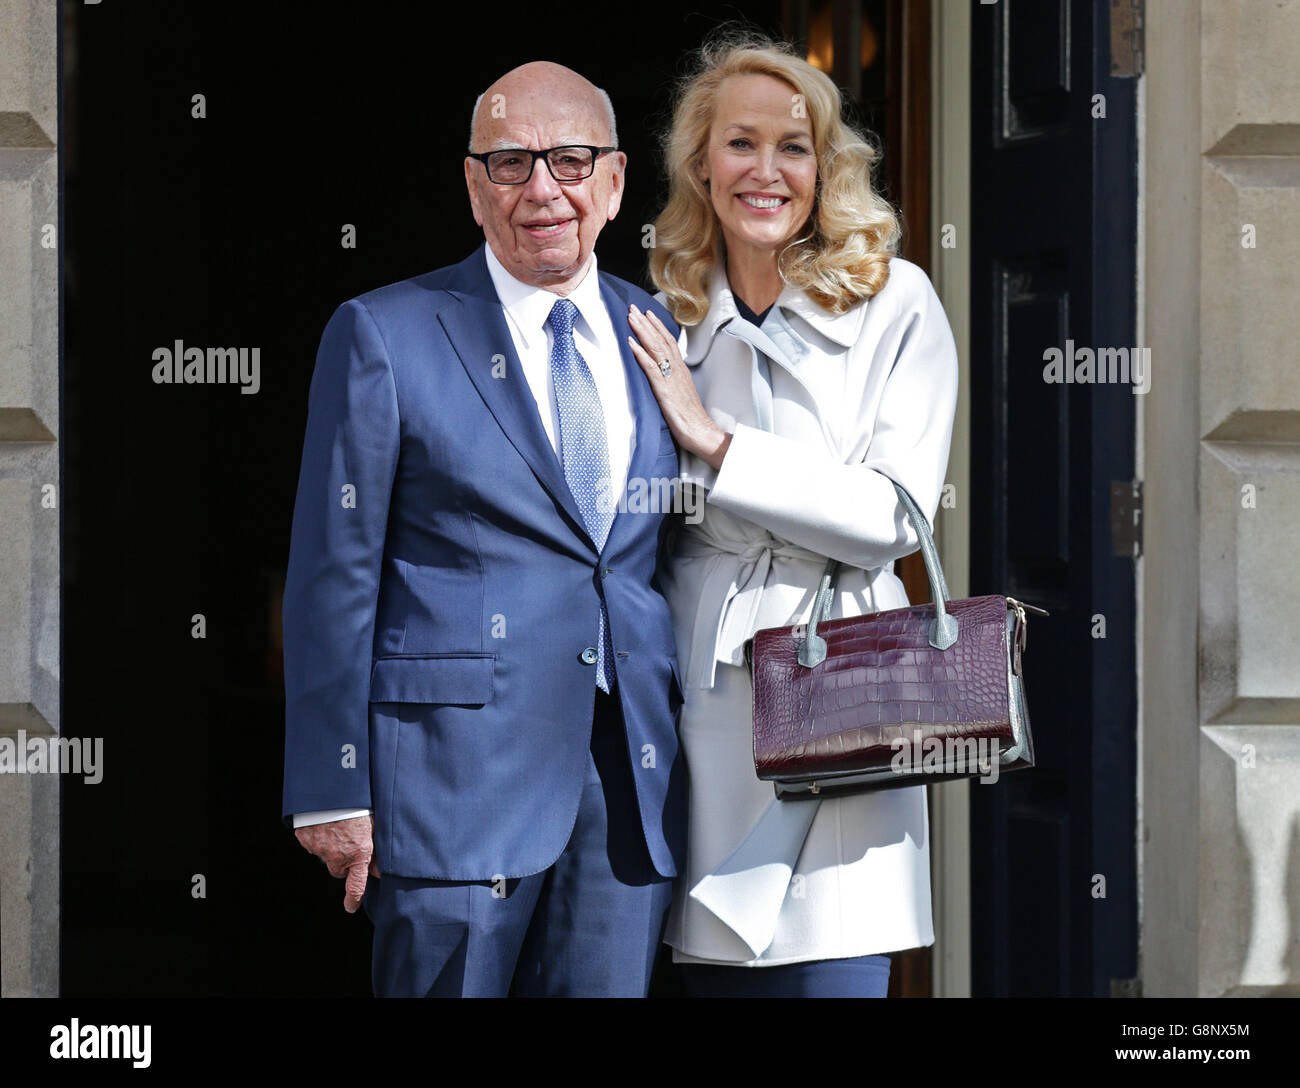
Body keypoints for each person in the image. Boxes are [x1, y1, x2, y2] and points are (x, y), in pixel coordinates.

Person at [281, 61, 687, 998]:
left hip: (625, 788)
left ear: (616, 182)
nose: (543, 188)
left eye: (572, 160)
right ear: (474, 187)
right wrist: (330, 782)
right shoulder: (385, 333)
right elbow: (332, 573)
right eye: (510, 163)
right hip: (451, 787)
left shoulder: (655, 332)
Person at [625, 33, 959, 997]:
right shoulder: (665, 314)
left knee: (836, 968)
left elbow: (893, 515)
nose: (766, 171)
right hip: (706, 692)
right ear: (699, 163)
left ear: (825, 167)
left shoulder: (895, 300)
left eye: (794, 146)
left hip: (848, 683)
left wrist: (720, 445)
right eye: (740, 144)